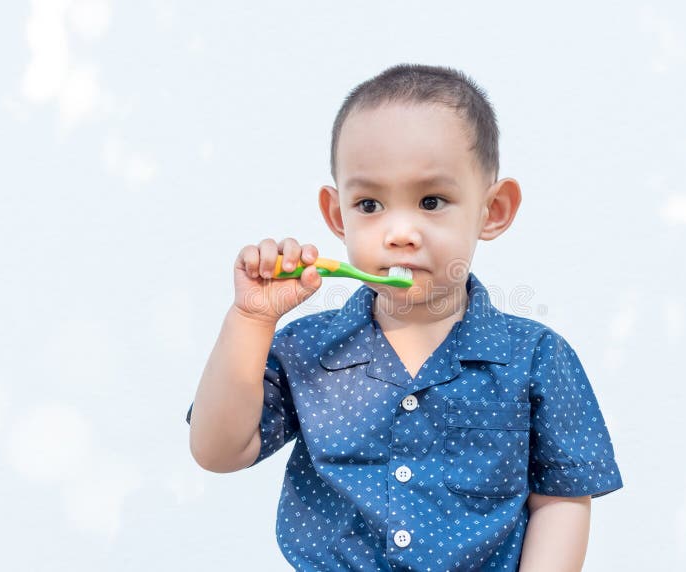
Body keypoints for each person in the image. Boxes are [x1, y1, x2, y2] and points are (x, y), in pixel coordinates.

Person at [185, 63, 623, 571]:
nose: (398, 232)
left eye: (431, 201)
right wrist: (251, 319)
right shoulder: (306, 348)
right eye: (369, 204)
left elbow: (561, 502)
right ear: (336, 215)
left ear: (493, 209)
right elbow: (218, 451)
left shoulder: (537, 358)